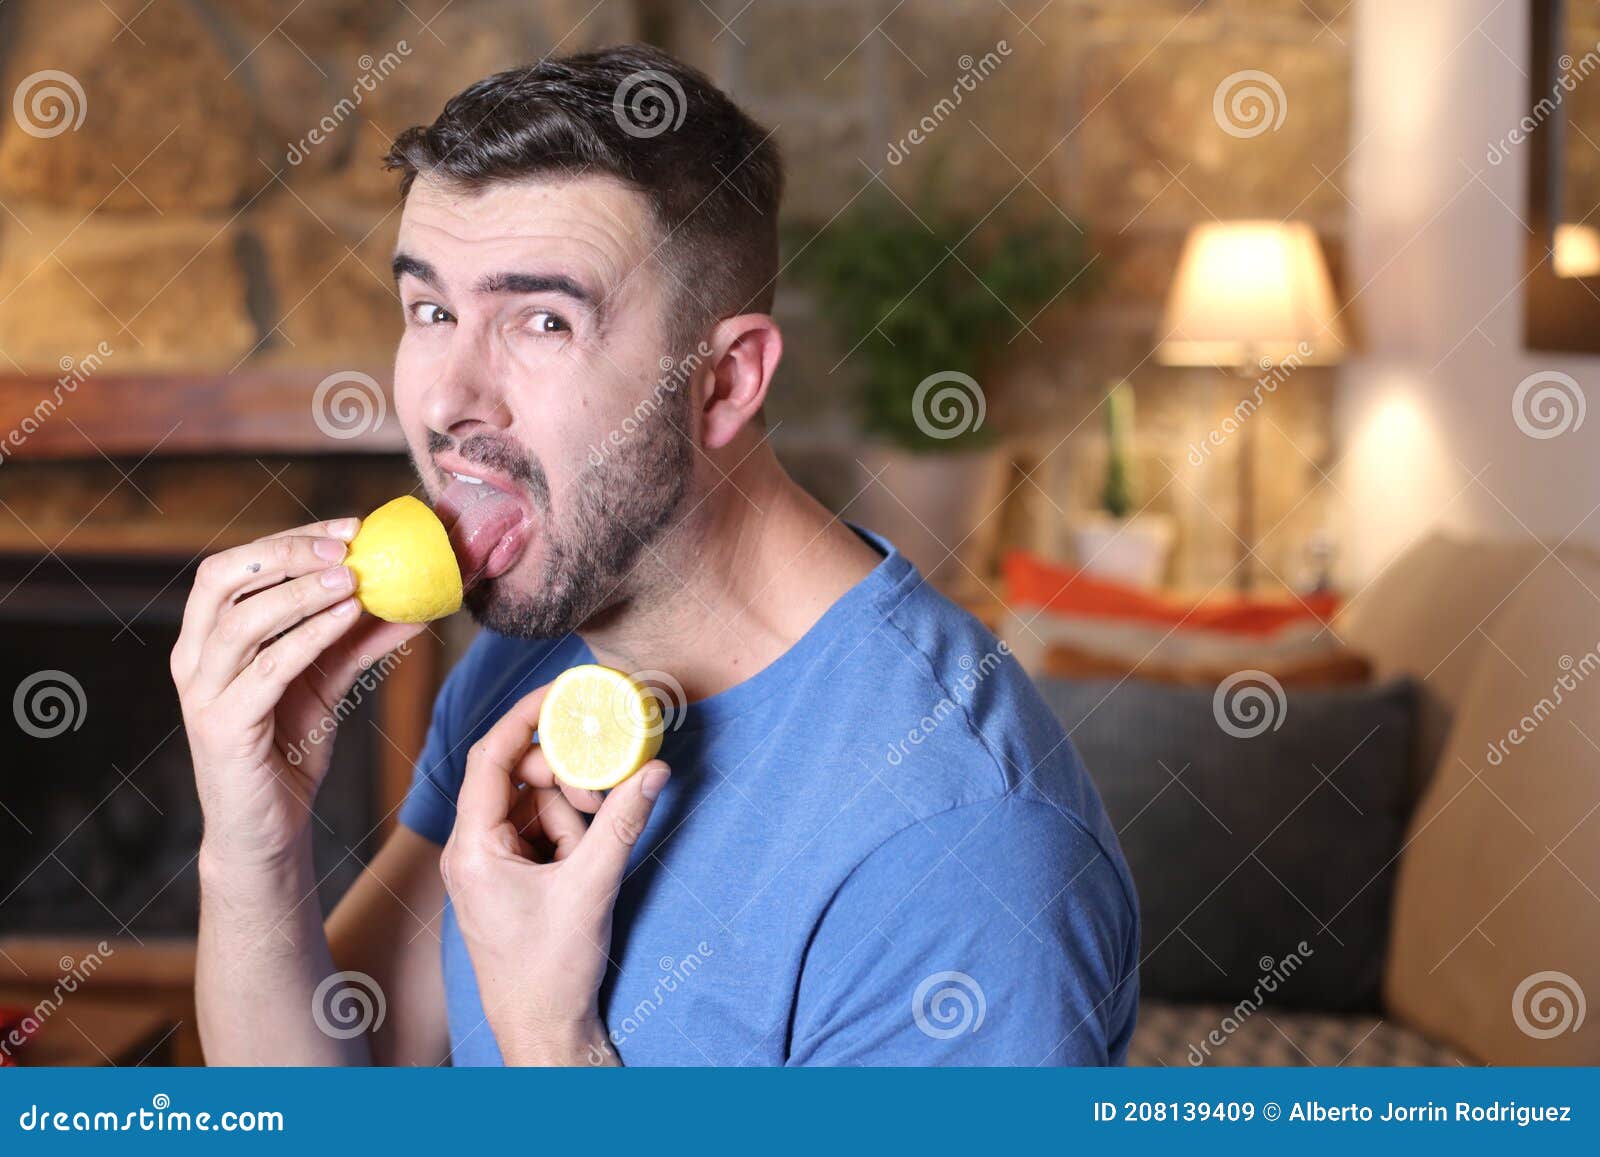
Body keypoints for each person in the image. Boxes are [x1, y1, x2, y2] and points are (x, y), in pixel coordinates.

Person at [172, 43, 1138, 1067]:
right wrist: (251, 843)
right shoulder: (535, 650)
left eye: (542, 319)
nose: (448, 398)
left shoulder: (960, 842)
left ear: (722, 382)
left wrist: (551, 1039)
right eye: (431, 309)